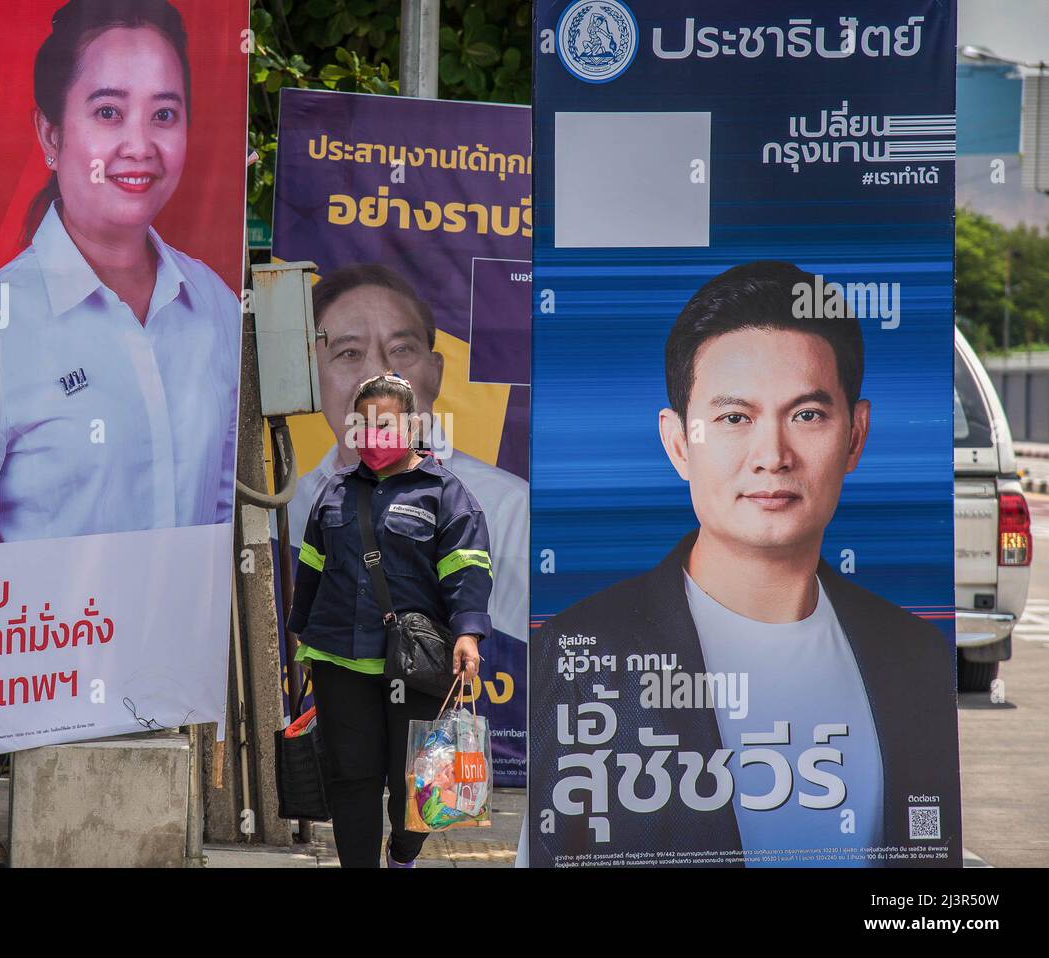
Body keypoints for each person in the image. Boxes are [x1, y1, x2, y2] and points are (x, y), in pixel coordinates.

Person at [528, 260, 960, 868]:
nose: (772, 456)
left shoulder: (913, 653)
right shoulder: (580, 649)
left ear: (856, 436)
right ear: (678, 443)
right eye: (734, 418)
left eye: (807, 415)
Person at [0, 0, 239, 542]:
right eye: (108, 112)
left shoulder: (215, 306)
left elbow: (222, 525)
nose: (140, 146)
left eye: (164, 114)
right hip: (41, 629)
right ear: (52, 136)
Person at [287, 373, 493, 868]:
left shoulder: (444, 494)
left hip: (414, 665)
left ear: (414, 424)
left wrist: (467, 632)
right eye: (364, 423)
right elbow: (312, 564)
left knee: (416, 784)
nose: (375, 433)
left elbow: (468, 567)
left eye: (387, 423)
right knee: (351, 777)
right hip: (340, 657)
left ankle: (403, 854)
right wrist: (303, 632)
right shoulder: (334, 491)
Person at [286, 264, 528, 646]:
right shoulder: (288, 509)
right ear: (314, 378)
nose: (378, 374)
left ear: (435, 373)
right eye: (349, 352)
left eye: (401, 349)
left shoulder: (509, 507)